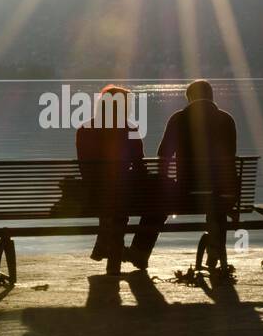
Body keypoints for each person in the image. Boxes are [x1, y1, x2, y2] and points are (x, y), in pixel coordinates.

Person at [127, 79, 237, 270]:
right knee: (216, 201)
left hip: (186, 194)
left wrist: (166, 179)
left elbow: (163, 155)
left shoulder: (179, 119)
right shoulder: (226, 119)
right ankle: (215, 252)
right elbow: (231, 155)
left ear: (190, 98)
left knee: (156, 201)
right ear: (211, 96)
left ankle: (140, 252)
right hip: (225, 194)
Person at [76, 84, 144, 272]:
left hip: (94, 194)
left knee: (110, 195)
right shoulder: (129, 128)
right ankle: (113, 252)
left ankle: (104, 243)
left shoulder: (84, 128)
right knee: (120, 196)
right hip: (122, 195)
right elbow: (139, 165)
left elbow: (85, 168)